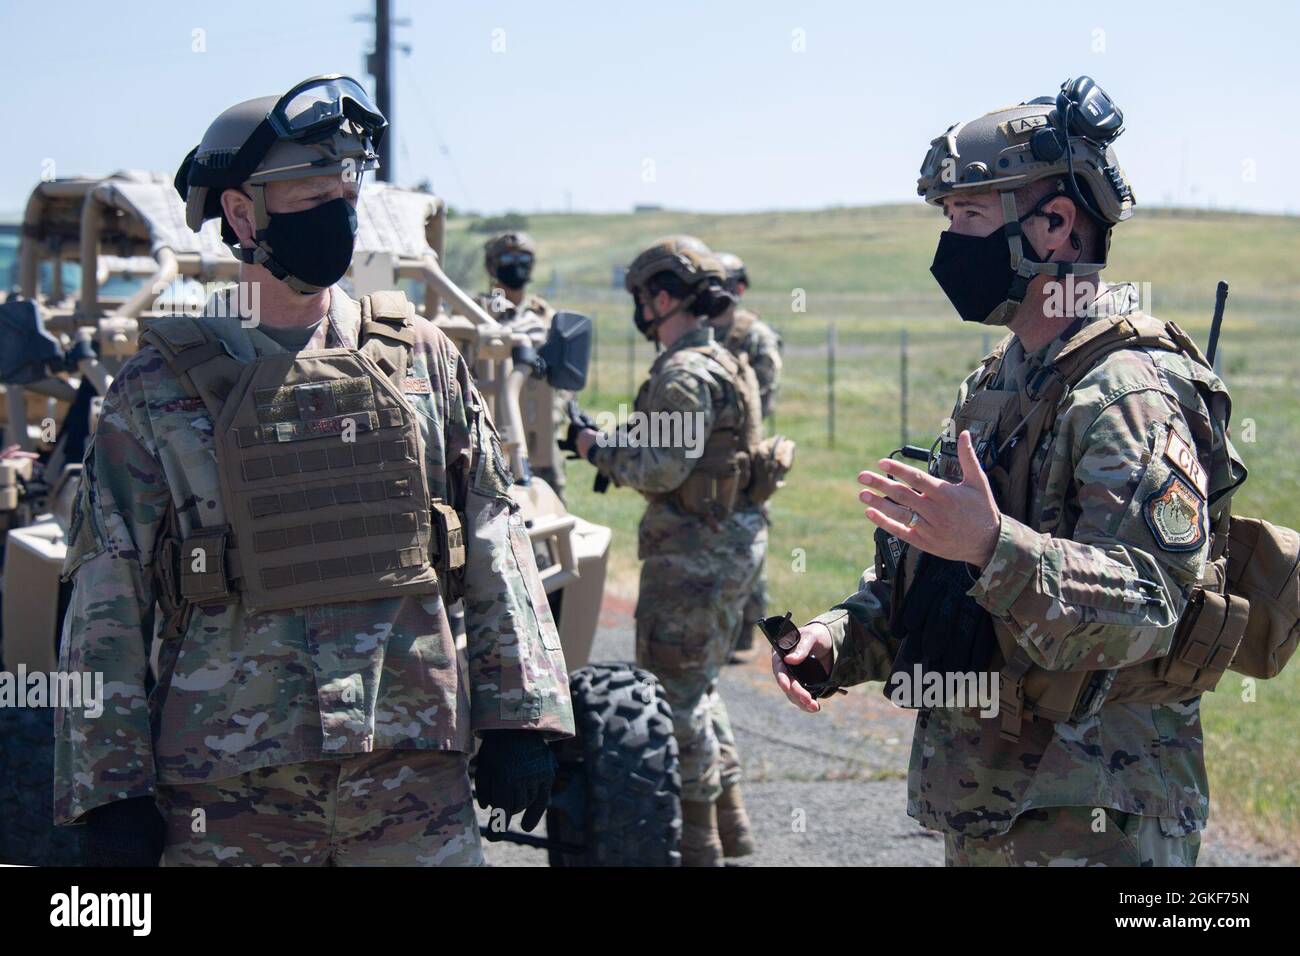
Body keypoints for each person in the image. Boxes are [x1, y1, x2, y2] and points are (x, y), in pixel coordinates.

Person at [54, 75, 574, 867]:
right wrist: (110, 790)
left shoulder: (423, 360)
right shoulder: (156, 391)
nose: (338, 212)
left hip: (410, 778)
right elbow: (106, 595)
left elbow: (494, 537)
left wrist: (520, 717)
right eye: (310, 195)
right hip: (230, 788)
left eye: (346, 189)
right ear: (240, 214)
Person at [771, 77, 1246, 866]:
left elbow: (1149, 606)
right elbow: (938, 589)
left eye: (971, 216)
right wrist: (836, 638)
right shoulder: (997, 384)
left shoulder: (1126, 391)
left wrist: (996, 547)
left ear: (1055, 223)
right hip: (994, 809)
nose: (952, 242)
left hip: (1097, 814)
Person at [572, 237, 766, 864]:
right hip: (727, 548)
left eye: (641, 298)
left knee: (673, 695)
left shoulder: (683, 372)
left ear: (661, 296)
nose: (640, 311)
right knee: (701, 686)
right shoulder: (725, 360)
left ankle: (698, 844)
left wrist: (592, 448)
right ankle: (729, 827)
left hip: (694, 558)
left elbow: (660, 469)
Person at [711, 252, 783, 666]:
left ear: (740, 288)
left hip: (745, 452)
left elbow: (766, 396)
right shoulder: (701, 332)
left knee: (747, 539)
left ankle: (746, 629)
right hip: (707, 456)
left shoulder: (754, 335)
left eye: (727, 284)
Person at [476, 231, 569, 502]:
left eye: (524, 258)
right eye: (507, 258)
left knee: (549, 504)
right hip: (494, 428)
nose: (516, 264)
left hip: (541, 427)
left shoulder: (546, 316)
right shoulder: (476, 313)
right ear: (492, 266)